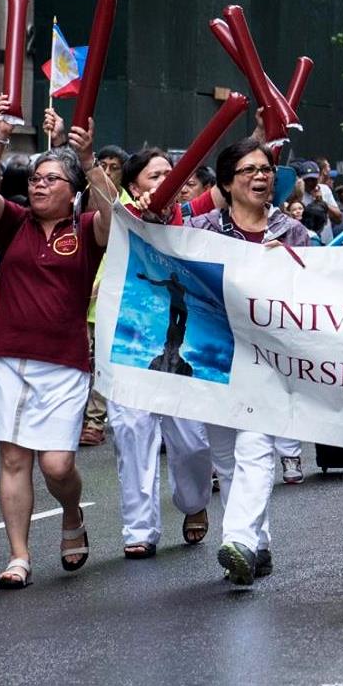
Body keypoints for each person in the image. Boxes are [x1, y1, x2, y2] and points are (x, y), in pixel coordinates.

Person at [0, 95, 115, 591]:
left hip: (65, 362)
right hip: (9, 356)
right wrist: (0, 133)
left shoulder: (87, 229)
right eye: (34, 178)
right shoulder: (13, 225)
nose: (38, 185)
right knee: (14, 459)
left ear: (73, 190)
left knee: (57, 464)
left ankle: (71, 510)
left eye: (51, 178)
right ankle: (19, 556)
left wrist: (89, 160)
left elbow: (114, 214)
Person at [186, 138, 309, 585]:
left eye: (266, 169)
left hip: (269, 358)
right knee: (225, 458)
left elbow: (313, 294)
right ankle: (258, 545)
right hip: (214, 354)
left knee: (256, 446)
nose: (261, 177)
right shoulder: (201, 229)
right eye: (249, 171)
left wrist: (291, 265)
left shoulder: (292, 233)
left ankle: (236, 539)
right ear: (226, 183)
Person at [109, 148, 213, 558]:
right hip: (131, 346)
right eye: (155, 176)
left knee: (192, 441)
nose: (168, 181)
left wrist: (261, 136)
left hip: (183, 347)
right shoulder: (121, 218)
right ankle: (139, 529)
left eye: (173, 174)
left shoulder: (191, 215)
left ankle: (193, 502)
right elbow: (101, 197)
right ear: (134, 187)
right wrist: (85, 159)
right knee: (132, 432)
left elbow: (229, 191)